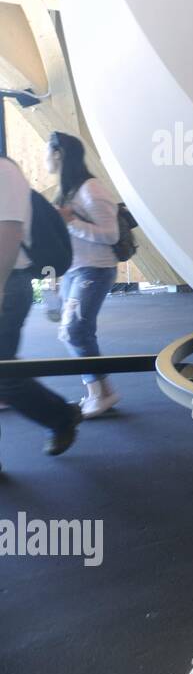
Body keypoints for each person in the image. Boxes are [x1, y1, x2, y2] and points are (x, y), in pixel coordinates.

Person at [0, 154, 81, 468]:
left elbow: (9, 235)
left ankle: (61, 416)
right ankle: (61, 416)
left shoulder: (4, 171)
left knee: (4, 377)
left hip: (8, 285)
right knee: (4, 374)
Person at [49, 132, 121, 418]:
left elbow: (111, 235)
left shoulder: (91, 189)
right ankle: (102, 393)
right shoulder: (70, 189)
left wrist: (72, 221)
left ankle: (99, 393)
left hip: (95, 269)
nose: (44, 158)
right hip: (76, 270)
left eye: (47, 151)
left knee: (74, 330)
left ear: (59, 154)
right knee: (77, 332)